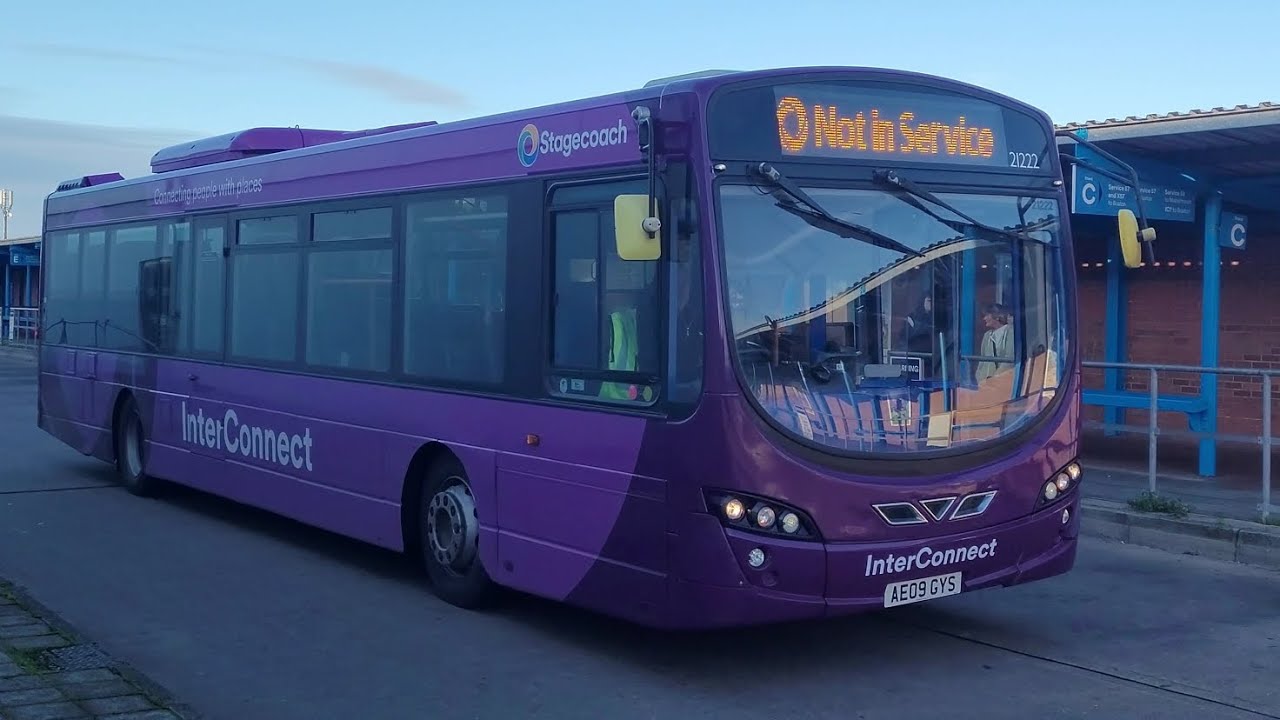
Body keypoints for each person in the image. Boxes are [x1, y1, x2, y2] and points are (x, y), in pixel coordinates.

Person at [975, 302, 1013, 381]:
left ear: (996, 316)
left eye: (987, 315)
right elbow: (982, 360)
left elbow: (1010, 359)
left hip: (1003, 381)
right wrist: (979, 378)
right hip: (985, 383)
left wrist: (995, 378)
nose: (984, 318)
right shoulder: (987, 336)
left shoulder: (1010, 332)